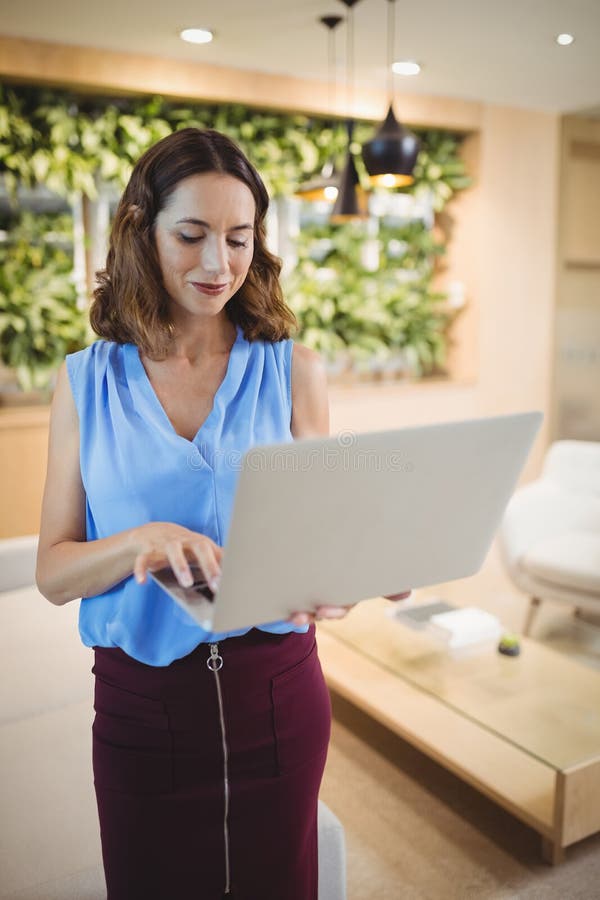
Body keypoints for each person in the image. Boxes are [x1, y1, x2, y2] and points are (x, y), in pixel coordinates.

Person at [35, 127, 410, 900]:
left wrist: (370, 568)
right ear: (143, 228)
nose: (218, 265)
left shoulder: (294, 369)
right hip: (143, 711)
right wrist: (140, 542)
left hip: (278, 696)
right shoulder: (84, 384)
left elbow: (330, 527)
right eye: (192, 235)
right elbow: (52, 572)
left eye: (239, 239)